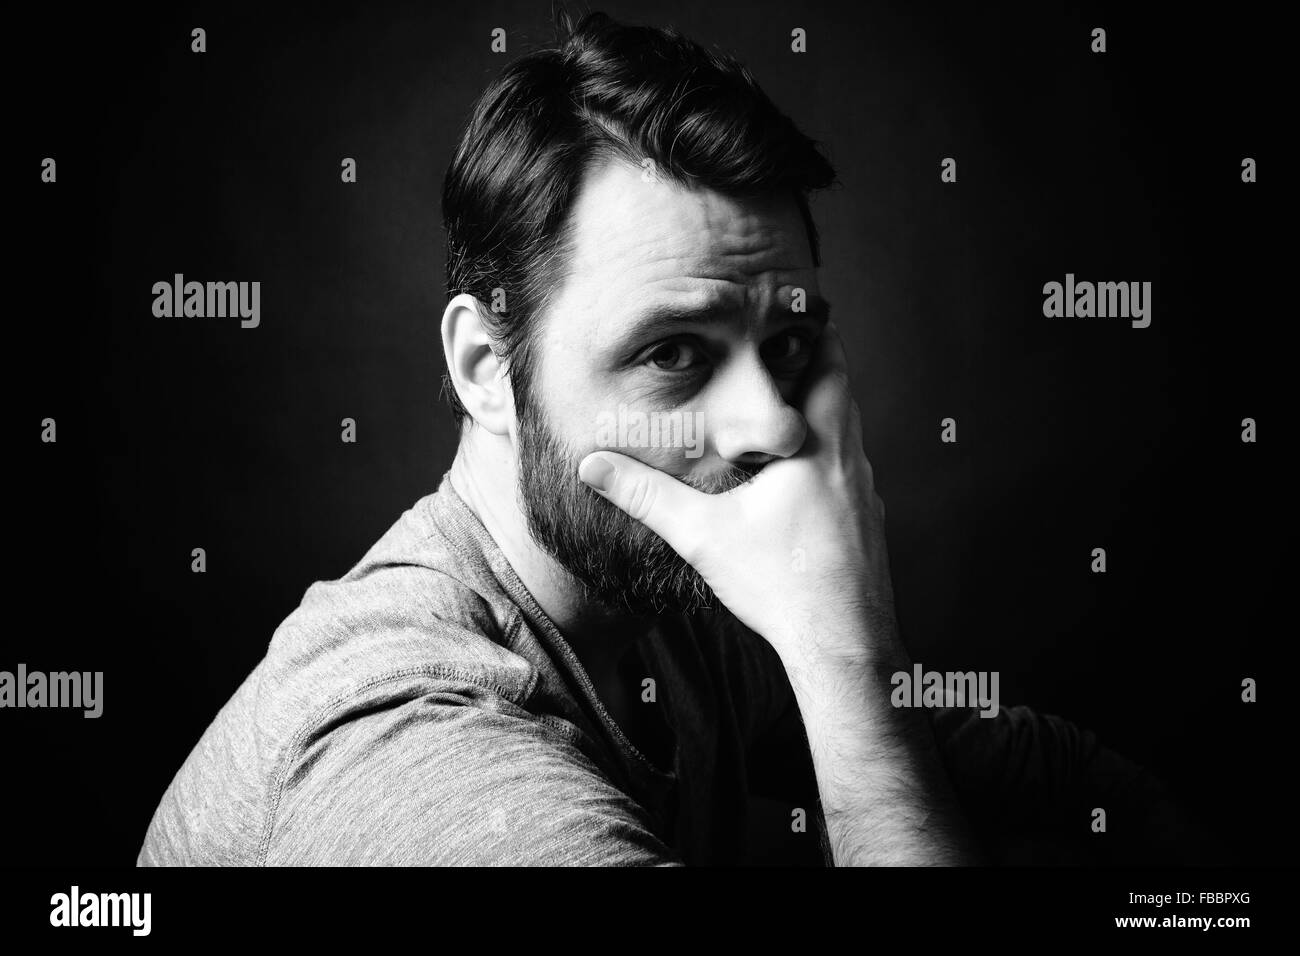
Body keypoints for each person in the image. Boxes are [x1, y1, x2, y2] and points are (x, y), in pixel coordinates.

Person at [137, 9, 1205, 867]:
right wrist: (842, 659)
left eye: (785, 341)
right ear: (482, 370)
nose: (772, 424)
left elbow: (1058, 778)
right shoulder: (406, 747)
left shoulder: (668, 598)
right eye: (673, 352)